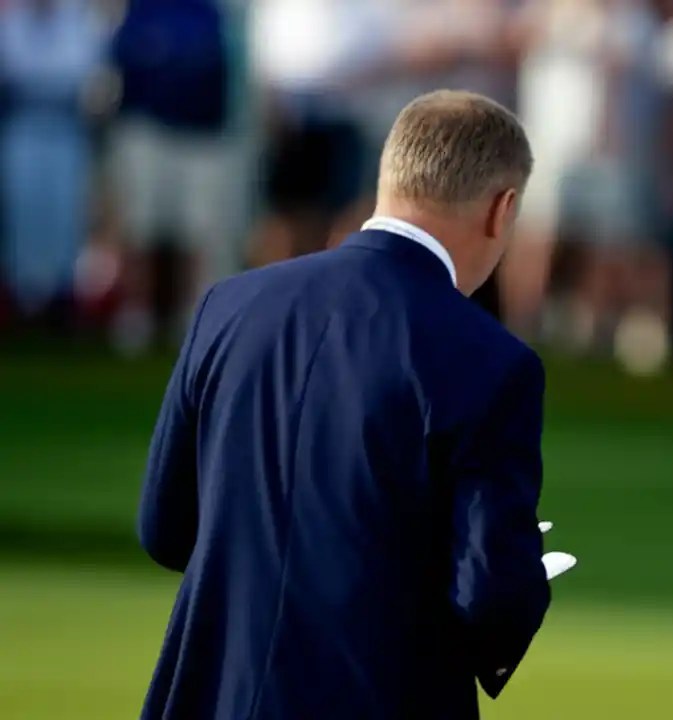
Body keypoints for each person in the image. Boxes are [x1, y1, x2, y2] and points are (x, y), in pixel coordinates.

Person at [136, 90, 553, 720]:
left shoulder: (227, 305)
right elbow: (490, 594)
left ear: (390, 179)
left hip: (214, 692)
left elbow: (165, 531)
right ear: (503, 209)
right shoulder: (491, 361)